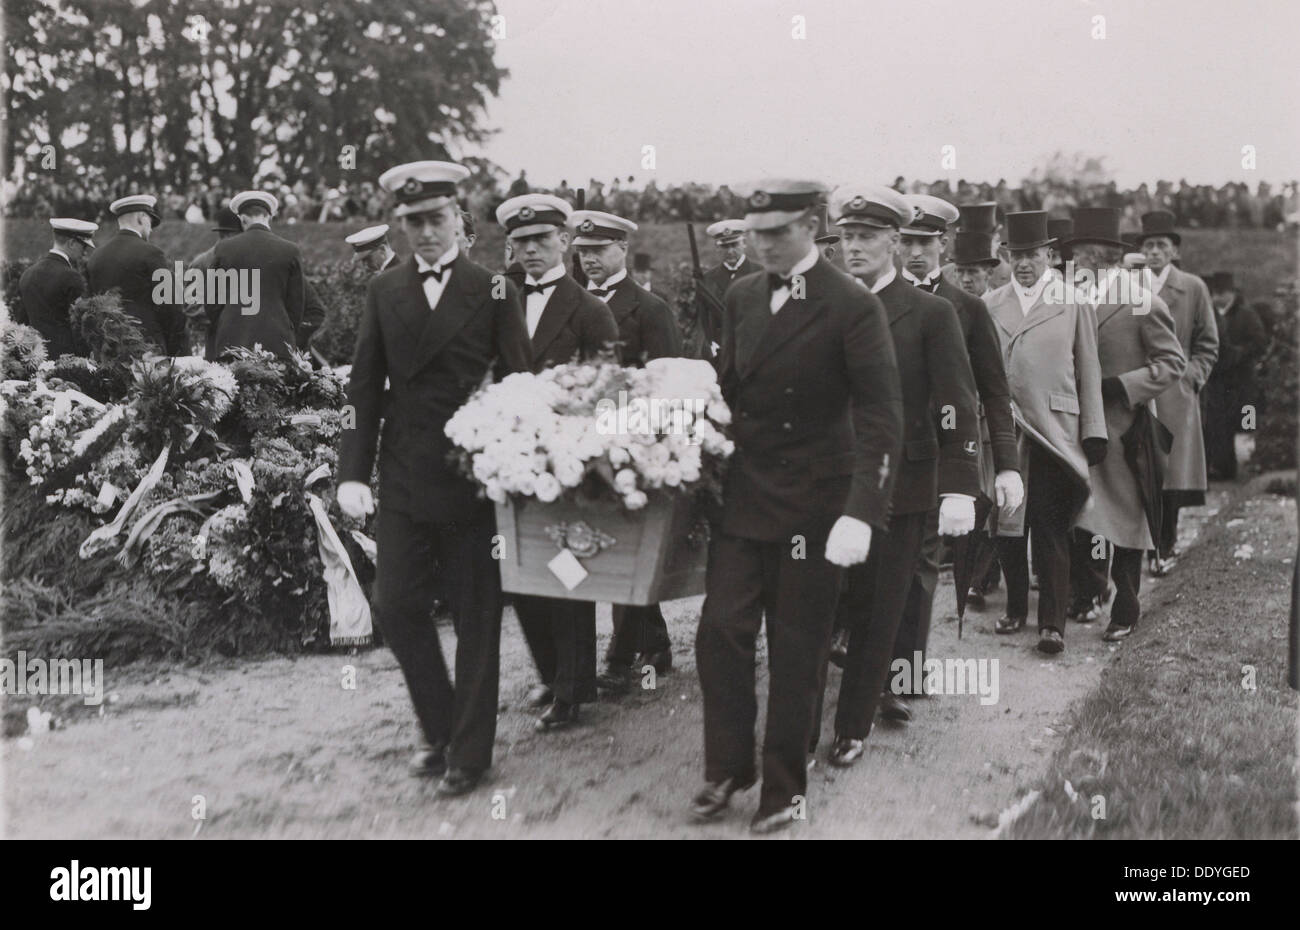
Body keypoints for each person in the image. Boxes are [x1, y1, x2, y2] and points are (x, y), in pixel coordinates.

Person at [691, 179, 903, 834]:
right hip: (748, 499)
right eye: (755, 234)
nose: (761, 245)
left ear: (812, 228)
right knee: (719, 630)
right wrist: (699, 426)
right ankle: (729, 766)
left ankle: (784, 790)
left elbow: (881, 418)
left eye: (776, 233)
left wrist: (860, 510)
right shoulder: (742, 295)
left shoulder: (851, 306)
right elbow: (729, 390)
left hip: (817, 508)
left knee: (797, 648)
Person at [336, 160, 532, 797]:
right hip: (405, 472)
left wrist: (514, 459)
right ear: (401, 225)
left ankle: (469, 753)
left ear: (458, 218)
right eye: (413, 221)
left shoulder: (496, 289)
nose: (425, 232)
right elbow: (363, 386)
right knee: (395, 604)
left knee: (478, 616)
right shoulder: (384, 290)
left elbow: (520, 384)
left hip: (472, 476)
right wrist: (352, 471)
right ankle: (442, 725)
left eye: (436, 219)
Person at [820, 184, 978, 756]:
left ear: (893, 241)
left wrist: (961, 484)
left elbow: (957, 399)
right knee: (819, 605)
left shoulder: (930, 313)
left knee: (879, 611)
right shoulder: (821, 305)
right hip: (830, 484)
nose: (854, 247)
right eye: (846, 236)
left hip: (903, 487)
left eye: (866, 236)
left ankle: (852, 727)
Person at [887, 193, 1021, 703]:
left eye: (926, 243)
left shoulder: (966, 309)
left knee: (920, 567)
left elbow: (994, 390)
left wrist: (1005, 465)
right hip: (882, 454)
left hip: (941, 456)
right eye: (908, 242)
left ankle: (905, 672)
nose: (916, 253)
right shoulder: (873, 301)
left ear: (942, 244)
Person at [495, 193, 620, 731]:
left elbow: (610, 390)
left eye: (541, 240)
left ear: (564, 242)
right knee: (520, 571)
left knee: (568, 572)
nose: (530, 250)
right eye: (520, 242)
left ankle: (573, 690)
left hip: (568, 462)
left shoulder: (592, 310)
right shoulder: (499, 299)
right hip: (510, 455)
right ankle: (551, 673)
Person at [568, 209, 684, 697]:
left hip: (631, 446)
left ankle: (620, 658)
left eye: (599, 250)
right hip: (578, 446)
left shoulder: (649, 308)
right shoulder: (570, 303)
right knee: (595, 549)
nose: (590, 259)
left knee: (623, 551)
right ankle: (653, 642)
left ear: (621, 250)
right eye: (583, 251)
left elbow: (668, 383)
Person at [984, 211, 1107, 653]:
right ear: (1005, 257)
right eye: (1015, 255)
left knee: (1052, 526)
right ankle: (1016, 608)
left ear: (1050, 256)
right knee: (1008, 525)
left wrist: (1094, 432)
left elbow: (1089, 371)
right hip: (1006, 430)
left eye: (1032, 255)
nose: (1023, 263)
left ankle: (1051, 624)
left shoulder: (1073, 302)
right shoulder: (990, 304)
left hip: (1057, 431)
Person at [1066, 207, 1185, 644]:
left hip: (1125, 428)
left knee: (1127, 520)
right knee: (1084, 513)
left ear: (1099, 256)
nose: (1075, 263)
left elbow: (1172, 363)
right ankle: (1089, 592)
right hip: (1078, 427)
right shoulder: (1072, 300)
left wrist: (1122, 386)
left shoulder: (1143, 302)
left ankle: (1127, 605)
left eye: (1079, 254)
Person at [1133, 211, 1218, 574]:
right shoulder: (1127, 285)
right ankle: (1140, 545)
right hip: (1137, 387)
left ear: (1174, 251)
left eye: (1161, 246)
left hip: (1175, 393)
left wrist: (1191, 378)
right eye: (1148, 245)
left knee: (1170, 473)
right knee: (1137, 469)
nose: (1154, 252)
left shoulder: (1193, 287)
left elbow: (1208, 342)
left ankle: (1164, 546)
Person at [205, 190, 306, 361]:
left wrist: (226, 322)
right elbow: (296, 305)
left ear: (242, 218)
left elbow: (212, 301)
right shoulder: (290, 250)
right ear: (269, 217)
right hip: (277, 340)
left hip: (232, 339)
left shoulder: (224, 248)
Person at [85, 194, 187, 356]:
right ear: (141, 218)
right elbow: (171, 306)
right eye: (150, 221)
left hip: (108, 350)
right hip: (146, 349)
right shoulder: (151, 253)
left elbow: (90, 307)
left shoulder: (96, 257)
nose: (151, 228)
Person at [1202, 271, 1267, 480]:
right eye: (1213, 293)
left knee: (1245, 421)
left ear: (1230, 293)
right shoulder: (1210, 313)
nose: (1216, 298)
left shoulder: (1246, 314)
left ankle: (1247, 464)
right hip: (1218, 379)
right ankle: (1221, 467)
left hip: (1241, 380)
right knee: (1217, 423)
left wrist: (1239, 354)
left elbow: (1259, 342)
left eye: (1220, 293)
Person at [16, 218, 98, 358]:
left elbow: (21, 321)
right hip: (66, 360)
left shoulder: (27, 273)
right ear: (72, 243)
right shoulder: (71, 276)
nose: (85, 253)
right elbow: (81, 327)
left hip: (34, 356)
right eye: (84, 247)